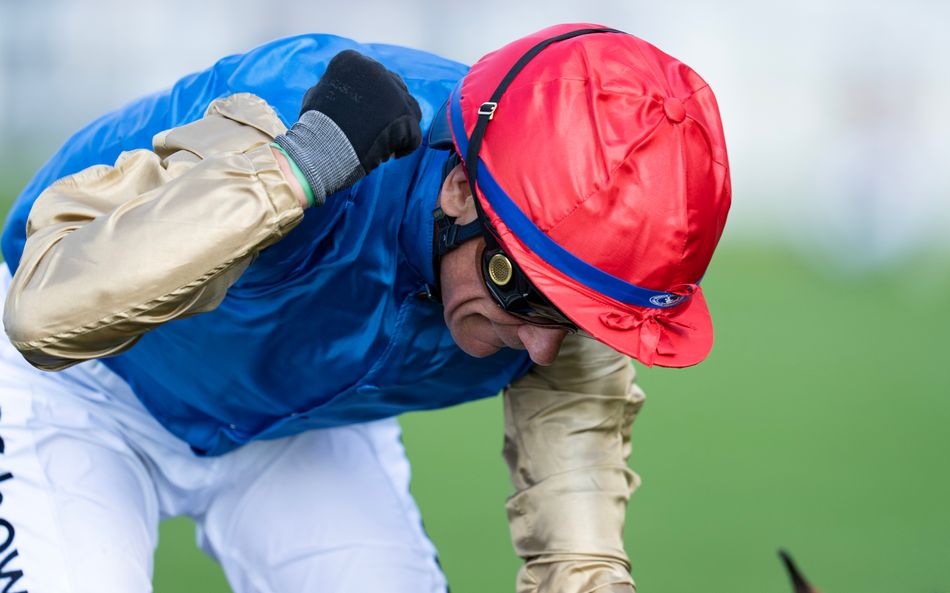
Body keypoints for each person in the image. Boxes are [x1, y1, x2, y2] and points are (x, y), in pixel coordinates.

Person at [0, 23, 730, 593]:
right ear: (460, 192)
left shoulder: (579, 269)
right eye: (526, 293)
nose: (542, 348)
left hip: (300, 423)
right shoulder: (289, 106)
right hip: (77, 387)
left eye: (577, 319)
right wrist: (294, 172)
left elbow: (579, 538)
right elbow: (46, 313)